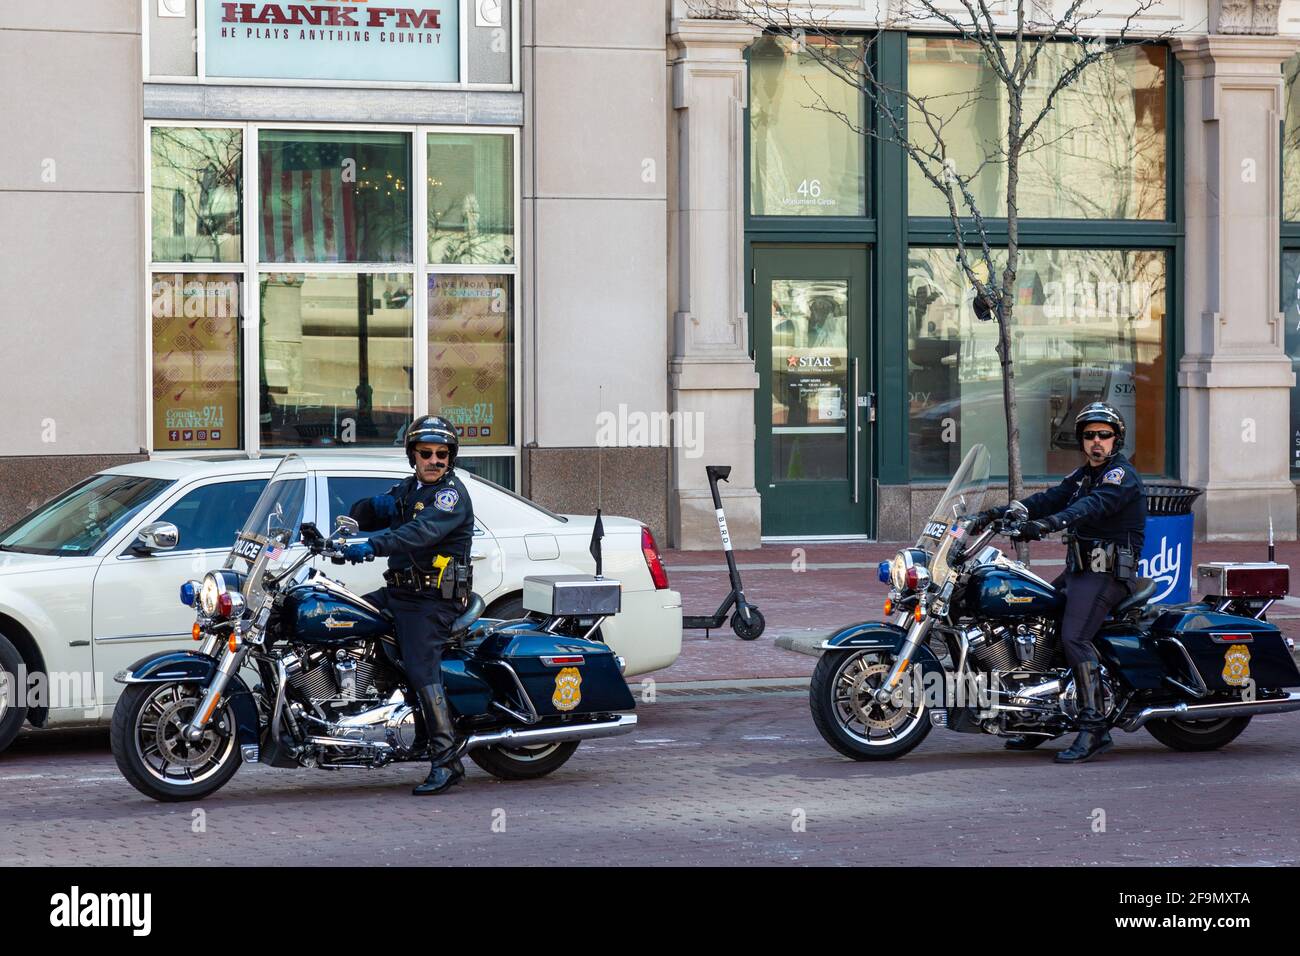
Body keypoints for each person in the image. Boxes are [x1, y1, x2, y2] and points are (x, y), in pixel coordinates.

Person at [975, 402, 1146, 763]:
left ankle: (1094, 726)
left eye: (1104, 435)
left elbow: (1089, 508)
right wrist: (999, 513)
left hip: (1109, 576)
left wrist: (1049, 525)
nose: (1096, 442)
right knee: (1039, 621)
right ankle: (1039, 719)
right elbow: (1049, 498)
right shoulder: (1083, 475)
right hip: (1080, 573)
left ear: (1116, 439)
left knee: (1073, 636)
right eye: (1089, 436)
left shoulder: (1120, 477)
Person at [342, 415, 475, 795]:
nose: (436, 460)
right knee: (338, 622)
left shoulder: (450, 495)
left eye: (443, 454)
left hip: (432, 600)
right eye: (427, 453)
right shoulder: (407, 489)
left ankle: (447, 760)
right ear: (412, 455)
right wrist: (359, 515)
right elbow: (369, 511)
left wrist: (373, 545)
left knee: (421, 668)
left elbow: (419, 533)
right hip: (399, 593)